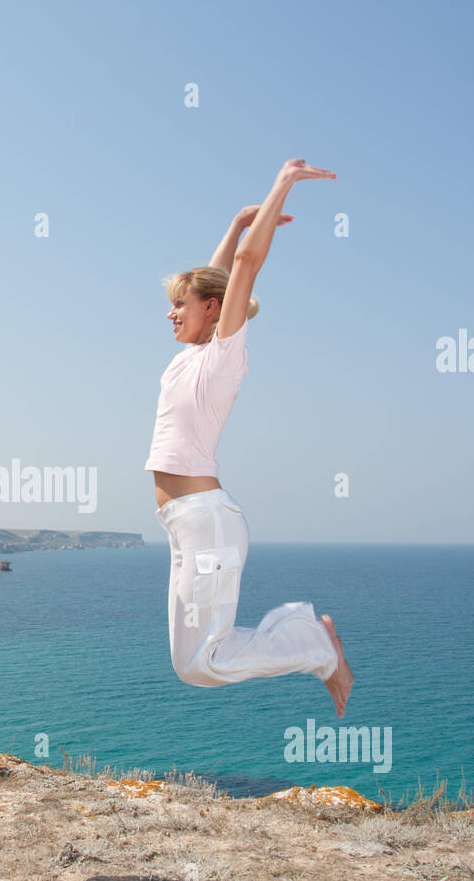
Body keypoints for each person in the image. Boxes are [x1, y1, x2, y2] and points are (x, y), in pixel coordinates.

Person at [146, 160, 354, 716]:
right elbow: (216, 276)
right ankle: (306, 636)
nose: (170, 314)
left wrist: (281, 182)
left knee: (201, 663)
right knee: (190, 663)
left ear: (211, 312)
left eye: (179, 306)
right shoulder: (189, 357)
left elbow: (241, 268)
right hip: (186, 524)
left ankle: (314, 644)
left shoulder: (223, 356)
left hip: (207, 520)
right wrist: (236, 223)